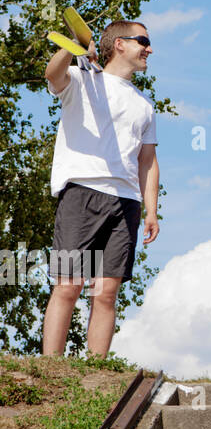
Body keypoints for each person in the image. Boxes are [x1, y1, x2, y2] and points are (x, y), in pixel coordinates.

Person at [42, 20, 160, 357]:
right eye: (143, 41)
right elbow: (52, 74)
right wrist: (74, 47)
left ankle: (96, 372)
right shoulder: (81, 80)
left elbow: (148, 161)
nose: (149, 49)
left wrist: (151, 210)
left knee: (106, 292)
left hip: (126, 202)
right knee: (68, 285)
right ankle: (51, 367)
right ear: (119, 44)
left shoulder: (145, 105)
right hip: (81, 191)